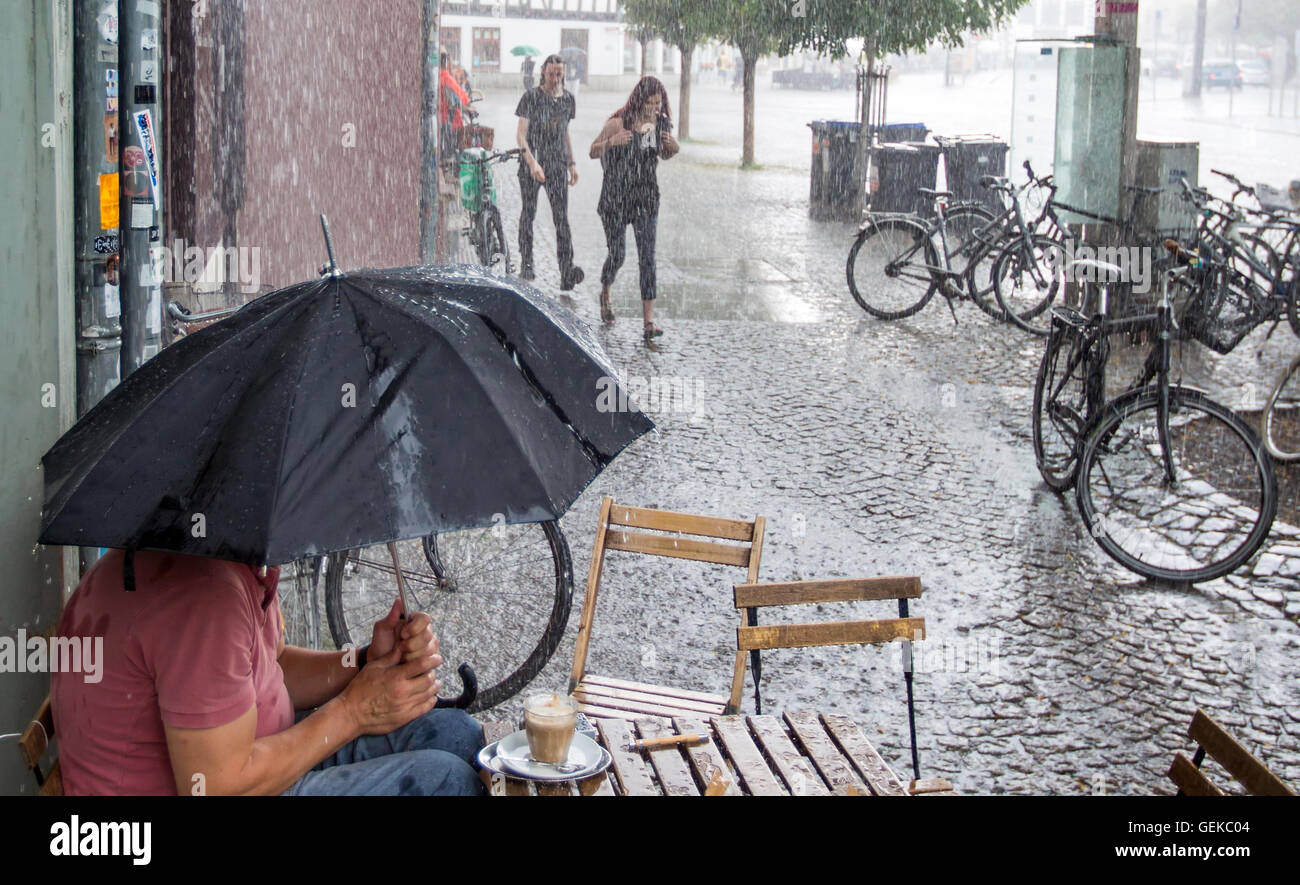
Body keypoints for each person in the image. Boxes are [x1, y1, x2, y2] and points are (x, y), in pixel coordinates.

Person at [49, 549, 484, 795]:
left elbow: (271, 669)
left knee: (456, 733)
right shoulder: (204, 597)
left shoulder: (229, 557)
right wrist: (356, 712)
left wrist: (363, 661)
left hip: (250, 754)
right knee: (447, 782)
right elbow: (217, 787)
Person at [589, 76, 679, 342]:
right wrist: (611, 142)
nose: (654, 108)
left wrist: (674, 148)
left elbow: (662, 153)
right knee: (618, 254)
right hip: (615, 199)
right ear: (639, 101)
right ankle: (606, 291)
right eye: (650, 103)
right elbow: (592, 151)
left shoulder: (660, 124)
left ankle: (648, 321)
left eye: (658, 103)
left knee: (647, 258)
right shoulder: (619, 122)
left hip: (646, 199)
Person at [515, 54, 584, 288]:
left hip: (557, 165)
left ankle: (567, 272)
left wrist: (572, 163)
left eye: (559, 74)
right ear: (544, 72)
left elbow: (565, 132)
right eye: (551, 74)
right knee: (529, 213)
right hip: (532, 164)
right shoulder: (531, 97)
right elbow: (520, 135)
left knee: (561, 218)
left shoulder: (568, 100)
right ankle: (526, 263)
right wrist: (532, 163)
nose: (555, 79)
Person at [439, 55, 470, 168]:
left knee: (442, 146)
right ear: (446, 64)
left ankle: (444, 162)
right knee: (452, 148)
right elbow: (462, 98)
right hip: (449, 119)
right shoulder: (446, 77)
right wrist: (467, 106)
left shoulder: (436, 76)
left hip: (440, 118)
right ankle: (450, 167)